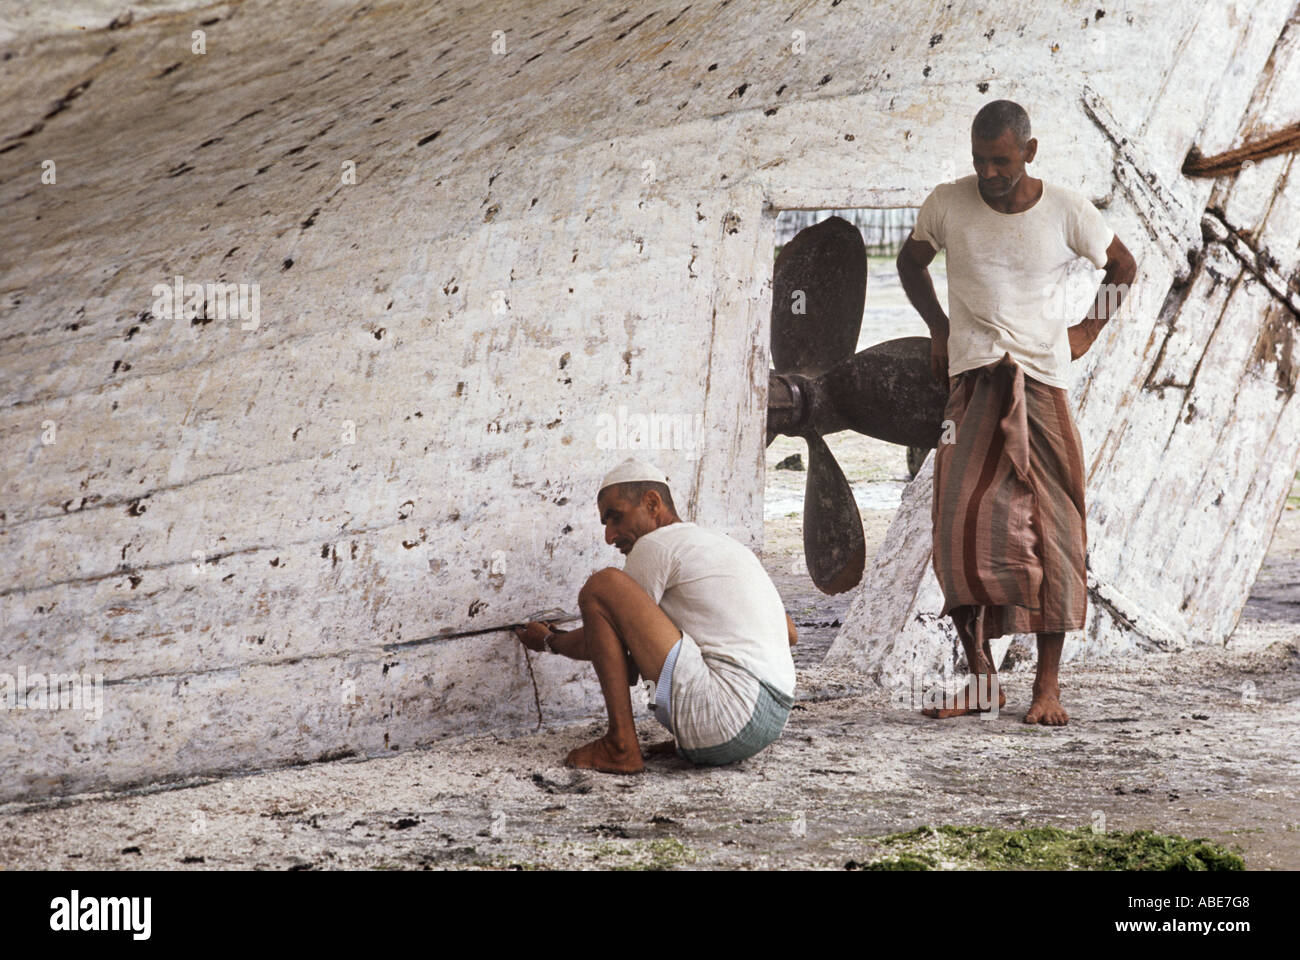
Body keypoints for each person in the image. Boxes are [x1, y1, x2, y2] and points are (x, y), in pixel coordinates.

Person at [895, 99, 1138, 725]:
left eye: (1000, 161)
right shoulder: (947, 203)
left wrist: (1085, 330)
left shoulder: (1065, 210)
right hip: (970, 383)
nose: (989, 174)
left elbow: (1123, 266)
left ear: (1029, 152)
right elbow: (909, 262)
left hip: (1042, 383)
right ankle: (982, 679)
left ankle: (1046, 688)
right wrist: (939, 329)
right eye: (979, 161)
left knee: (1053, 529)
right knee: (959, 528)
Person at [513, 457, 798, 772]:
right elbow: (789, 632)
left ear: (652, 503)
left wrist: (549, 641)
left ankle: (621, 745)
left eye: (616, 518)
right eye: (605, 524)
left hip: (727, 717)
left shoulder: (654, 545)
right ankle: (694, 737)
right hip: (770, 722)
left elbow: (599, 641)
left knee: (602, 586)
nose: (609, 536)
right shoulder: (726, 546)